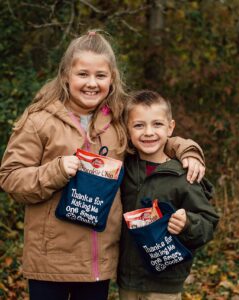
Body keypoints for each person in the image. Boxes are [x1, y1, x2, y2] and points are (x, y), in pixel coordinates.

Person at [0, 32, 205, 300]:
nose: (91, 83)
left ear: (112, 79)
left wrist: (187, 150)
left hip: (99, 263)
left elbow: (152, 137)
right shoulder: (40, 121)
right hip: (49, 263)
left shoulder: (119, 119)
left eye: (100, 75)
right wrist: (57, 170)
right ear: (65, 76)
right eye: (83, 74)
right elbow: (11, 177)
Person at [118, 90, 220, 300]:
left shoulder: (184, 175)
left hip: (165, 283)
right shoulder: (123, 168)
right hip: (128, 279)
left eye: (157, 124)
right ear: (127, 130)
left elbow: (208, 223)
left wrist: (188, 224)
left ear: (170, 127)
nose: (148, 132)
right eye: (139, 125)